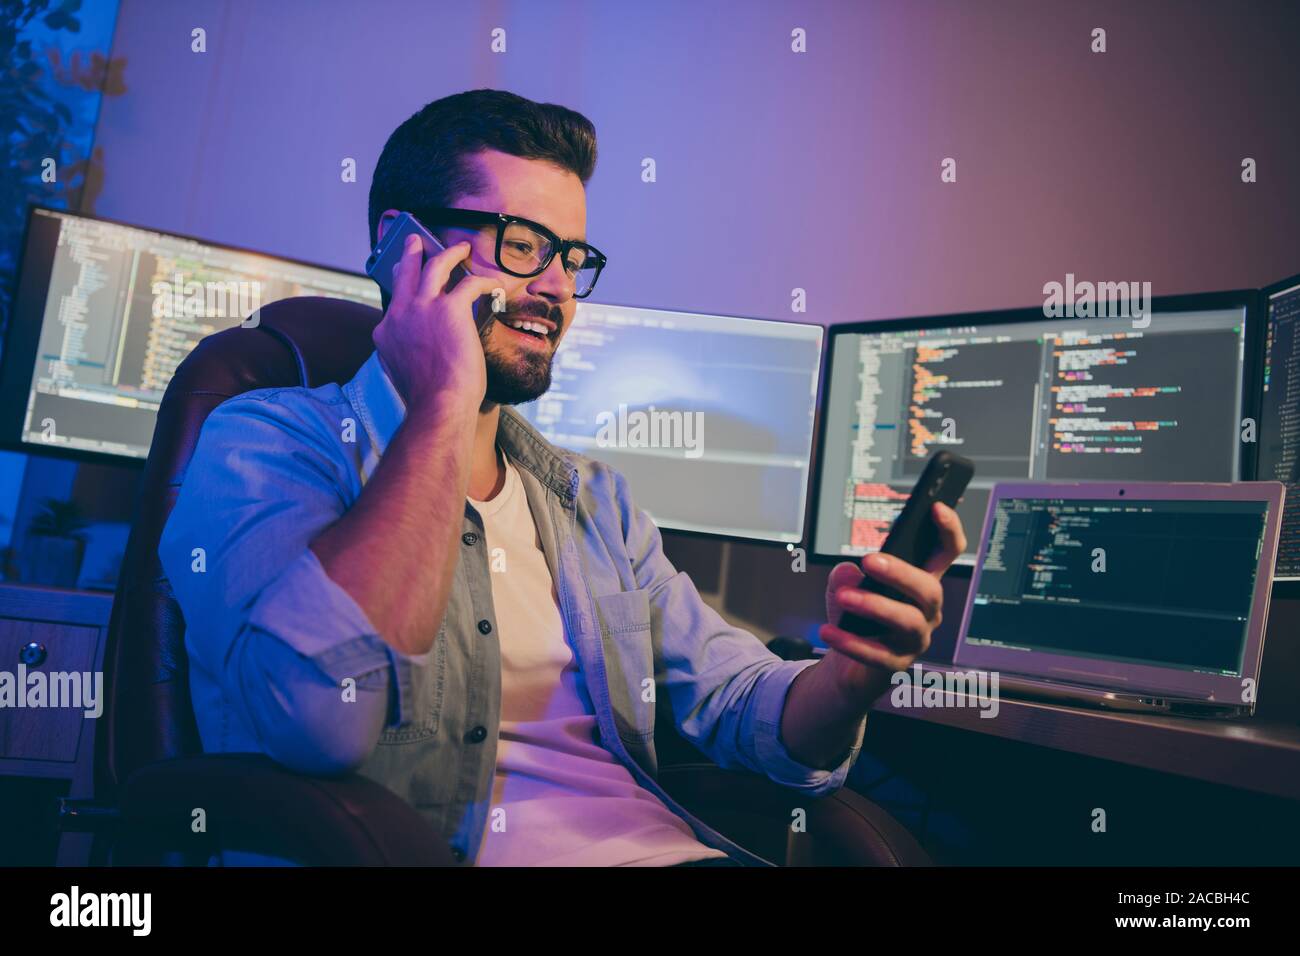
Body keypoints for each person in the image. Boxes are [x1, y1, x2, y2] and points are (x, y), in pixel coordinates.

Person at [160, 88, 966, 866]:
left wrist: (852, 676)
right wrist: (445, 400)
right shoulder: (264, 445)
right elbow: (315, 721)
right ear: (405, 244)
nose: (554, 284)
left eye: (571, 256)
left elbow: (739, 703)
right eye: (520, 243)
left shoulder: (592, 503)